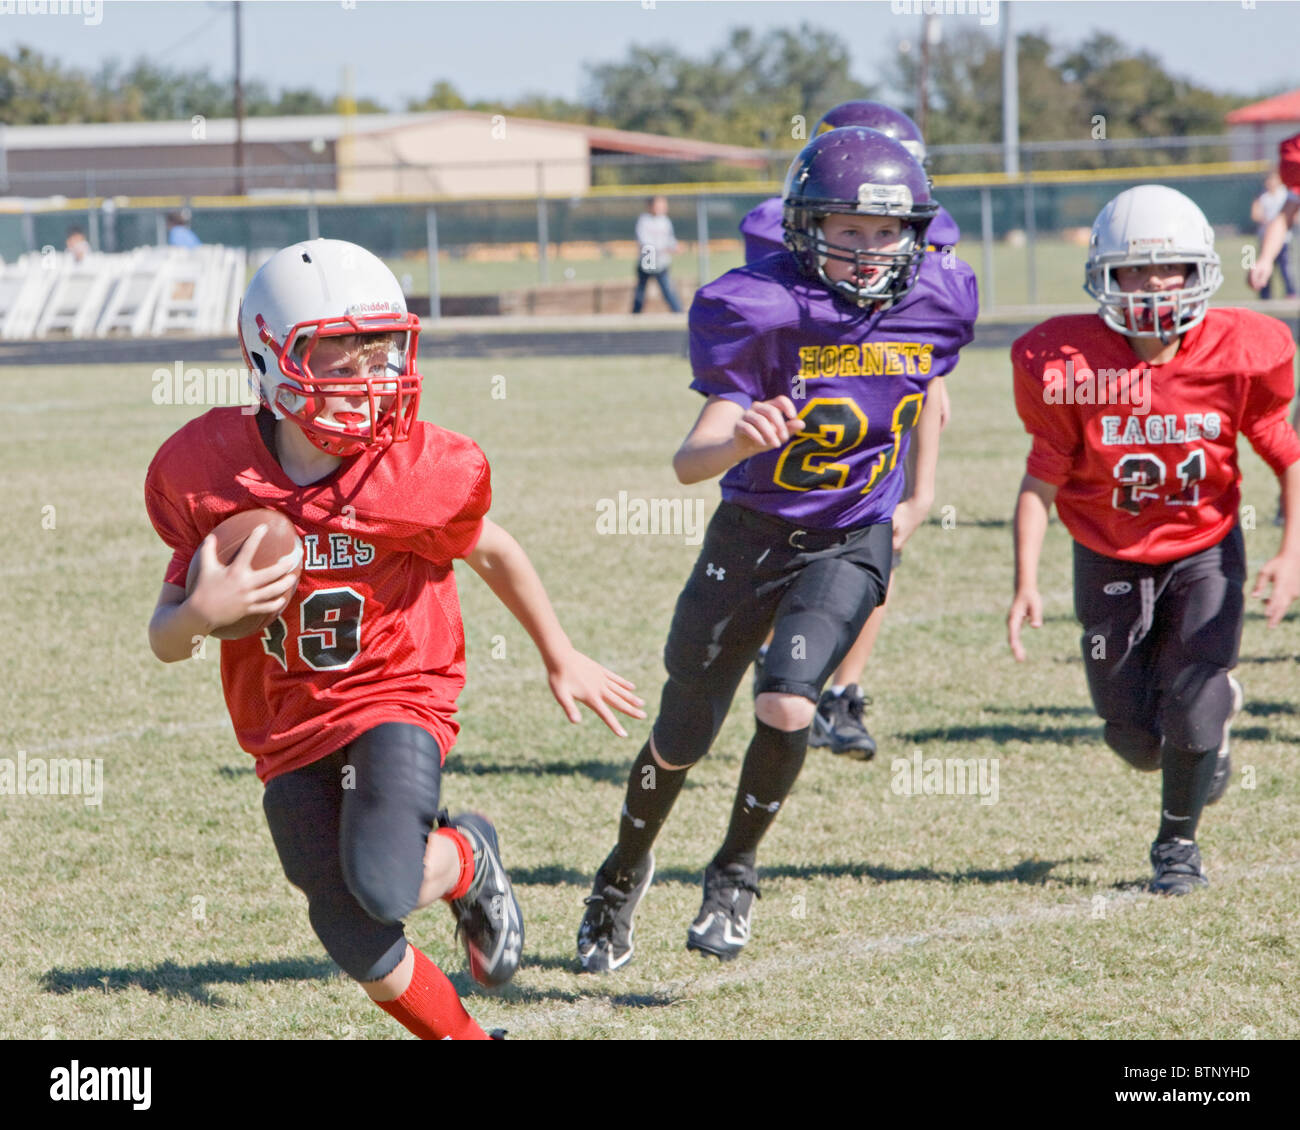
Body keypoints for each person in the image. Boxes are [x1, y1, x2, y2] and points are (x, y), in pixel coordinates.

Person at [145, 239, 644, 1038]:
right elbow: (165, 638)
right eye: (336, 358)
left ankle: (467, 856)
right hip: (286, 717)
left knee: (383, 884)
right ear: (270, 357)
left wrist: (560, 653)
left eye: (378, 354)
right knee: (346, 925)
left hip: (396, 689)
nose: (366, 381)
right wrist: (207, 609)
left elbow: (492, 547)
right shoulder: (209, 470)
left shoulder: (417, 468)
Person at [577, 128, 977, 972]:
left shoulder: (938, 299)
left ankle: (735, 870)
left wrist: (918, 494)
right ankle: (620, 872)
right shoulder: (757, 306)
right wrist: (739, 440)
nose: (869, 251)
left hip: (849, 537)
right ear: (805, 228)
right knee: (681, 734)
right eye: (848, 229)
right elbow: (691, 462)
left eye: (886, 232)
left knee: (789, 702)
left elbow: (923, 385)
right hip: (752, 534)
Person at [1008, 185, 1300, 896]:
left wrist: (1291, 553)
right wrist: (1025, 579)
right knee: (1134, 739)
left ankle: (1177, 846)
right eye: (1135, 271)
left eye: (1169, 269)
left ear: (1200, 270)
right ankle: (1203, 732)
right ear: (1103, 276)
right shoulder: (1066, 361)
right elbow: (1040, 480)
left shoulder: (1241, 350)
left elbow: (1287, 455)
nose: (1153, 286)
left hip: (1205, 546)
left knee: (1194, 699)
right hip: (1106, 548)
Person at [741, 100, 960, 760]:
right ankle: (781, 660)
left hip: (883, 409)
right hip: (804, 417)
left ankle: (844, 692)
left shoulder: (933, 234)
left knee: (877, 558)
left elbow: (926, 363)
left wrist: (921, 493)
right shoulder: (774, 230)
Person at [1250, 171, 1297, 299]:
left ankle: (1291, 292)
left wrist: (1282, 222)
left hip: (1283, 240)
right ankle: (1265, 295)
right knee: (1266, 268)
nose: (1270, 183)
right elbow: (1255, 214)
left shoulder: (1286, 194)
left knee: (1285, 268)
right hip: (1266, 239)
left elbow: (1294, 215)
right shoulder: (1262, 196)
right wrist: (1269, 222)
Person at [632, 195, 682, 313]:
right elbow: (644, 242)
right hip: (647, 260)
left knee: (667, 289)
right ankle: (635, 315)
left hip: (662, 262)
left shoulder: (665, 221)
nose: (662, 207)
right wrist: (663, 249)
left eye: (663, 204)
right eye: (659, 204)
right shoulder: (644, 220)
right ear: (650, 206)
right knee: (641, 292)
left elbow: (670, 239)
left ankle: (678, 313)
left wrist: (675, 246)